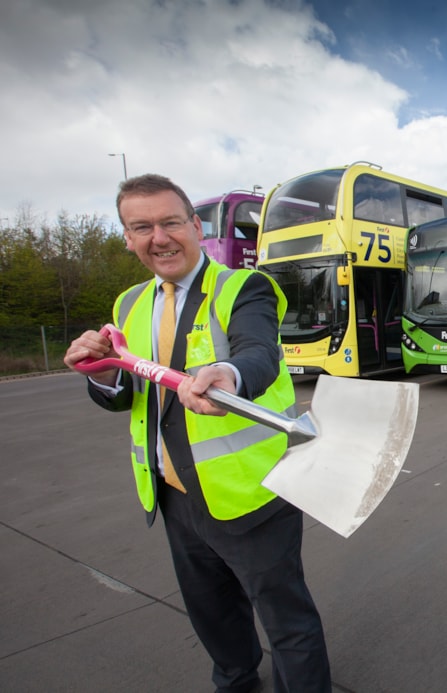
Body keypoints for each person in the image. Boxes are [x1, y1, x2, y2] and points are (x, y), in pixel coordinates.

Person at [64, 174, 331, 693]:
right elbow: (129, 393)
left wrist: (228, 376)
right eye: (142, 227)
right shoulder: (128, 304)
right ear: (127, 236)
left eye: (170, 222)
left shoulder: (242, 287)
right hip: (173, 493)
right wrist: (103, 375)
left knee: (287, 623)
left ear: (194, 225)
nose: (158, 238)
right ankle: (236, 684)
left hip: (251, 494)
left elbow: (257, 352)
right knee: (214, 617)